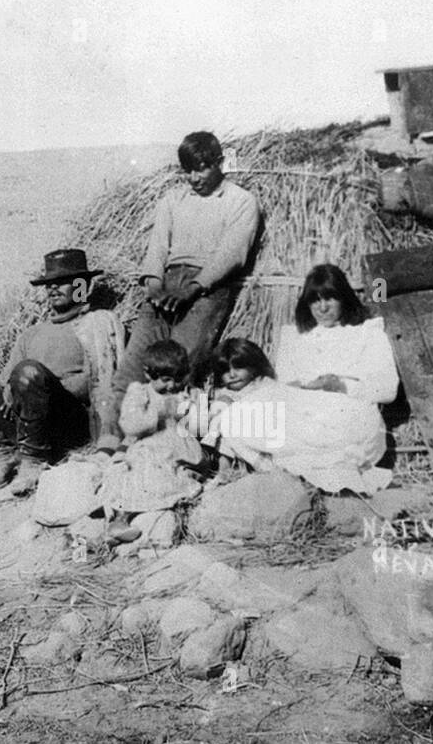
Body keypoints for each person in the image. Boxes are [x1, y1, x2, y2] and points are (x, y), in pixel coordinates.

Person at [96, 131, 261, 451]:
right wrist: (155, 286)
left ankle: (164, 445)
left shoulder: (240, 201)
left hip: (207, 289)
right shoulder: (173, 200)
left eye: (202, 168)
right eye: (188, 170)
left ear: (219, 163)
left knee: (180, 366)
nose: (195, 177)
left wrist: (195, 289)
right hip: (166, 286)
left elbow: (232, 252)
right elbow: (158, 247)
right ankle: (111, 438)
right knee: (132, 366)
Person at [0, 249, 124, 494]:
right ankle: (4, 451)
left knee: (28, 372)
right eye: (48, 285)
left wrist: (41, 386)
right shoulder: (31, 333)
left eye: (61, 283)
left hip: (65, 421)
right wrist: (11, 390)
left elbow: (103, 380)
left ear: (81, 286)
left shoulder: (96, 326)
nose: (52, 289)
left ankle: (34, 462)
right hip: (24, 419)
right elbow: (7, 382)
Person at [205, 264, 401, 493]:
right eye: (315, 300)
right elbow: (284, 384)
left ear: (345, 298)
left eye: (330, 298)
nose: (323, 307)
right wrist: (301, 387)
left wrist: (340, 385)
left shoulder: (367, 333)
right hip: (303, 412)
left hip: (350, 415)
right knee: (234, 418)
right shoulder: (295, 336)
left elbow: (388, 390)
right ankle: (279, 473)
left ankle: (313, 474)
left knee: (317, 442)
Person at [96, 339, 205, 522]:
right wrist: (159, 412)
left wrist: (190, 408)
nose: (172, 386)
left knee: (160, 474)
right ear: (148, 374)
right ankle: (120, 520)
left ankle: (125, 518)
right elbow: (130, 425)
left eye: (178, 379)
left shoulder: (192, 393)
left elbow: (201, 429)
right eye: (165, 380)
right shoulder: (140, 392)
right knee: (131, 472)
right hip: (146, 449)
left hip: (179, 450)